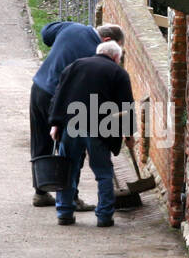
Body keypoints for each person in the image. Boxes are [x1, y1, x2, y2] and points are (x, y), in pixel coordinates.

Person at [30, 21, 124, 207]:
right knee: (72, 147)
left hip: (39, 88)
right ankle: (71, 198)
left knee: (40, 139)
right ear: (107, 41)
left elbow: (46, 34)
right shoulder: (97, 58)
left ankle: (40, 193)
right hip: (63, 99)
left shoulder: (72, 27)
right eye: (117, 51)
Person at [48, 41, 135, 227]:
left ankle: (64, 212)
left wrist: (55, 123)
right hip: (99, 129)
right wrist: (129, 136)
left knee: (67, 171)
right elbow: (126, 106)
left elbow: (59, 95)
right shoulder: (118, 73)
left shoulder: (74, 66)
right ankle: (104, 217)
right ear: (115, 57)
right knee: (103, 173)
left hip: (71, 126)